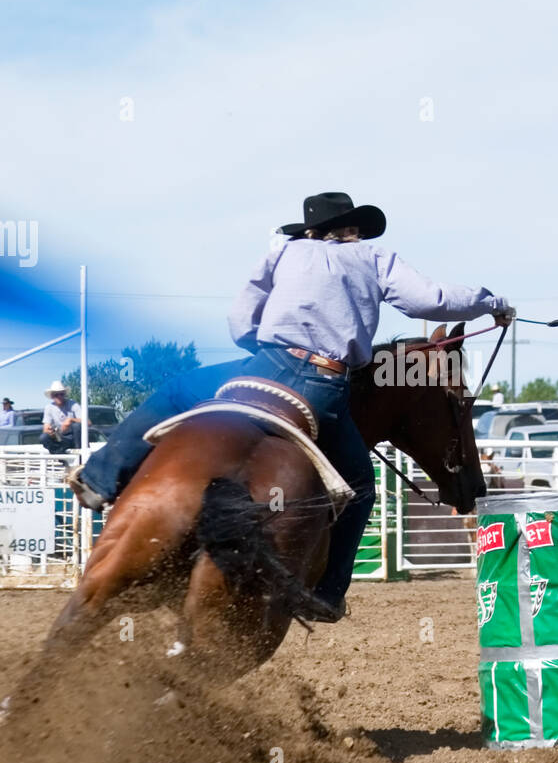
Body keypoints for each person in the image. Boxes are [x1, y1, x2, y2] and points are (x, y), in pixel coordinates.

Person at [70, 192, 514, 619]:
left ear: (312, 229)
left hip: (262, 366)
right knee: (360, 486)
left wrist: (270, 350)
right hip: (322, 383)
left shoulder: (283, 251)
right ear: (351, 229)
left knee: (174, 391)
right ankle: (328, 591)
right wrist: (493, 304)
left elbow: (240, 321)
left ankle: (99, 478)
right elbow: (433, 301)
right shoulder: (373, 258)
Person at [42, 381, 82, 454]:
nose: (59, 396)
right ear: (52, 396)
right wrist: (50, 431)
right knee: (44, 437)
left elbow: (88, 422)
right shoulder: (49, 408)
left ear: (64, 394)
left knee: (76, 426)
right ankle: (60, 455)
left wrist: (71, 420)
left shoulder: (73, 404)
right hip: (60, 438)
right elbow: (45, 429)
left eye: (61, 394)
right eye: (56, 395)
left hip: (74, 438)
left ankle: (79, 455)